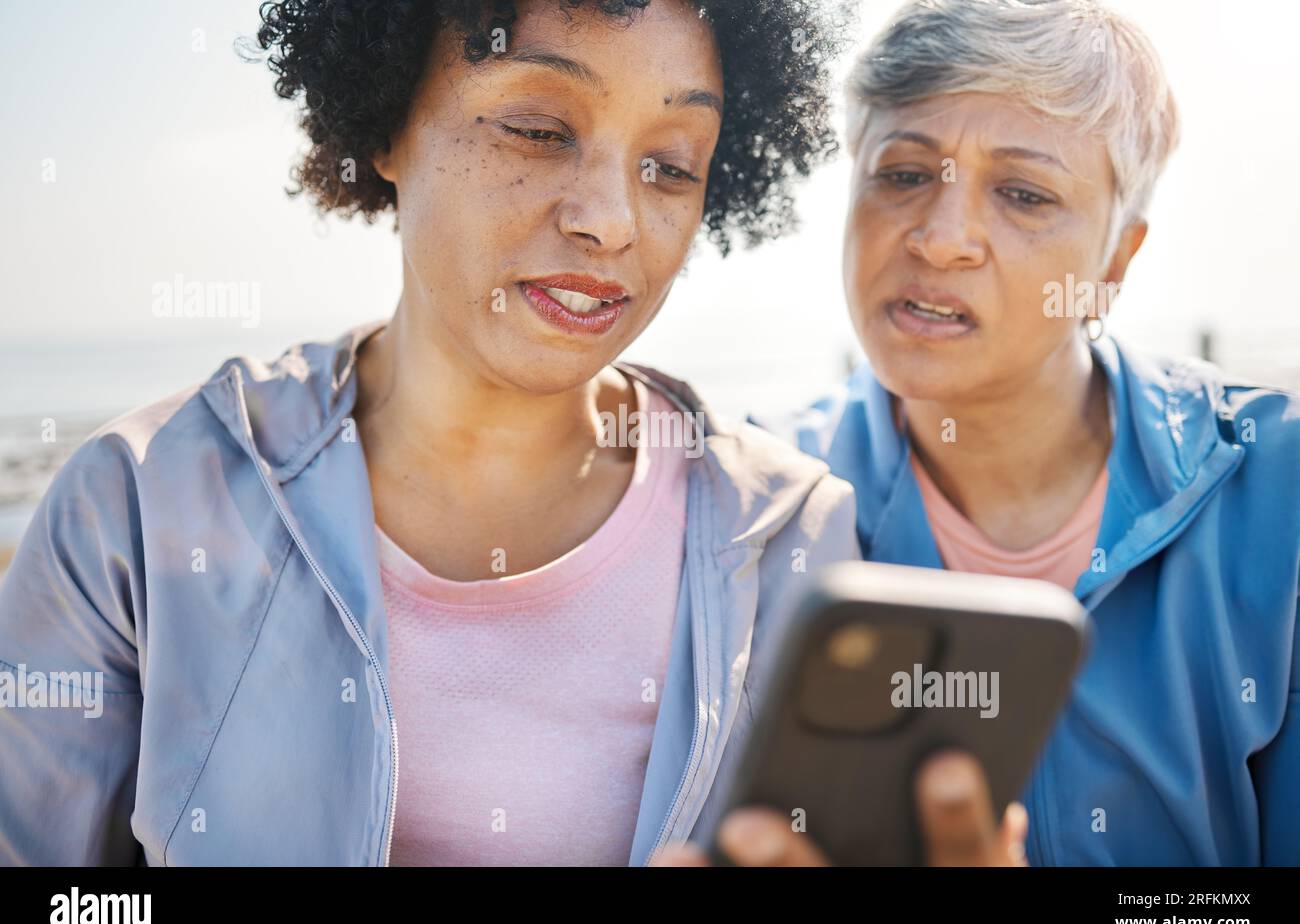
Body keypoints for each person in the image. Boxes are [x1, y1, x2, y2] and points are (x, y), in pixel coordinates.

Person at [0, 0, 1023, 868]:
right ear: (387, 124)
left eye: (670, 165)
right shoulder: (136, 505)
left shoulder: (788, 539)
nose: (611, 220)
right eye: (537, 129)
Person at [772, 0, 1300, 864]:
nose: (941, 241)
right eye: (903, 174)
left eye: (1023, 193)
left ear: (1115, 263)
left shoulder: (1277, 486)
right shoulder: (754, 504)